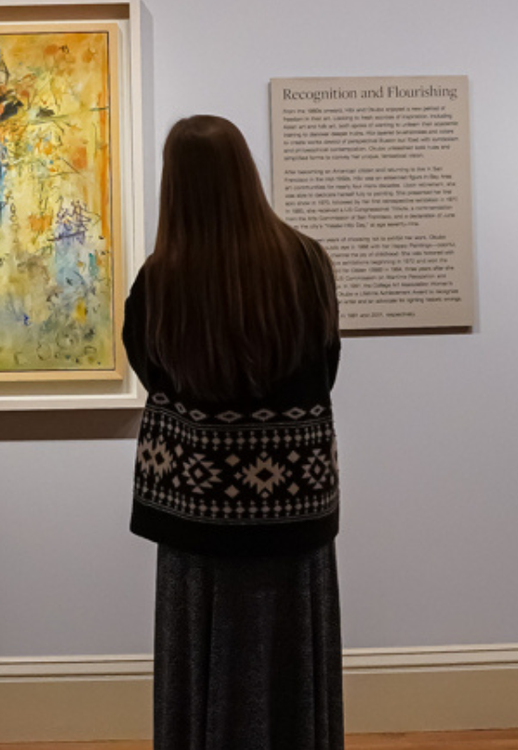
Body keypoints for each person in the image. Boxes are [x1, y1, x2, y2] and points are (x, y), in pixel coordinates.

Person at [123, 115, 343, 750]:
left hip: (198, 519)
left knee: (201, 661)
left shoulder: (160, 280)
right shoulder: (308, 263)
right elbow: (326, 370)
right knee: (291, 667)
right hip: (292, 512)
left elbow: (150, 369)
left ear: (175, 186)